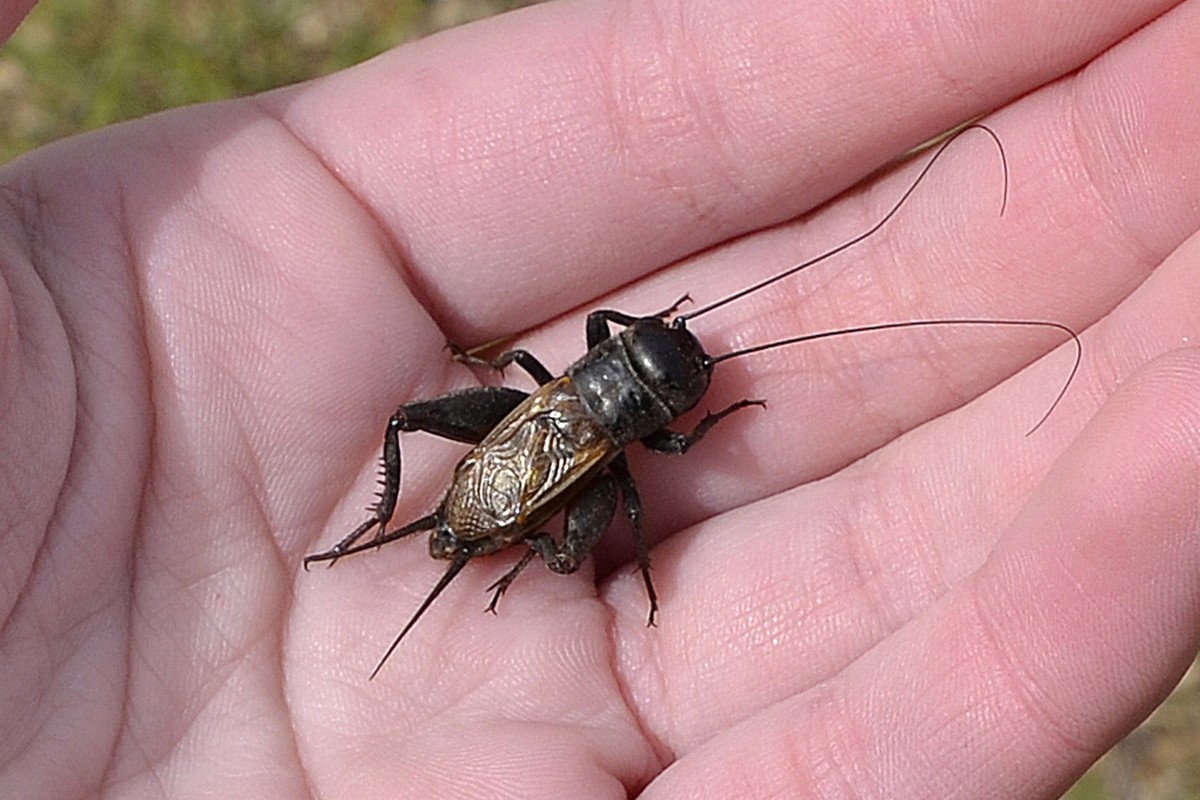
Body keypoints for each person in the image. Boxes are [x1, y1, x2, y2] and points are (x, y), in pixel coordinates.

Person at [2, 0, 1198, 797]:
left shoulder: (579, 380)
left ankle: (405, 529)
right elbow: (661, 445)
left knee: (527, 493)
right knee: (528, 489)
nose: (670, 365)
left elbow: (628, 432)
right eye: (661, 361)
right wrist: (665, 446)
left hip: (539, 441)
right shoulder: (627, 419)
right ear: (619, 369)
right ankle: (395, 527)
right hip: (538, 454)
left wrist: (567, 479)